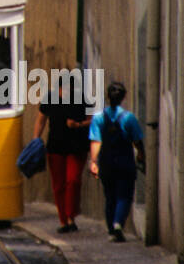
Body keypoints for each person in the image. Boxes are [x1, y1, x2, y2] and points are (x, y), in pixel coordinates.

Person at [33, 79, 92, 233]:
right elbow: (41, 121)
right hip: (55, 147)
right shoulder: (49, 99)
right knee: (59, 185)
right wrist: (36, 140)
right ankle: (64, 221)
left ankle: (71, 215)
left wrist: (78, 125)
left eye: (69, 90)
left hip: (77, 147)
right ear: (58, 88)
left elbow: (92, 120)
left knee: (73, 180)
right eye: (63, 90)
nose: (66, 93)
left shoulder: (81, 99)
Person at [89, 81, 145, 242]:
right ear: (123, 98)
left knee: (110, 196)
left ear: (107, 97)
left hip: (106, 162)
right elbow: (137, 140)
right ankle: (118, 223)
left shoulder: (99, 118)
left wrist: (93, 162)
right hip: (125, 162)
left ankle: (111, 230)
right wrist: (141, 154)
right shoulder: (128, 118)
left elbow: (95, 141)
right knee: (124, 196)